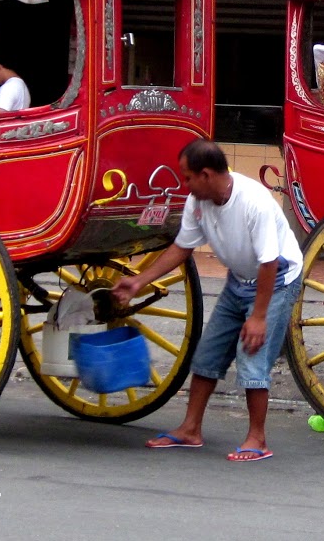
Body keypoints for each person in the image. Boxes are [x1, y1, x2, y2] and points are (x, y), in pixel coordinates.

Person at [111, 139, 302, 462]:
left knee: (252, 356)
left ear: (207, 174)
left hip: (276, 279)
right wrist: (140, 281)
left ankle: (257, 437)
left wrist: (258, 317)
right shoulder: (197, 202)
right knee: (207, 353)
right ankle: (190, 428)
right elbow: (182, 247)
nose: (184, 184)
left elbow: (269, 262)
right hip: (238, 280)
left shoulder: (253, 201)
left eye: (187, 177)